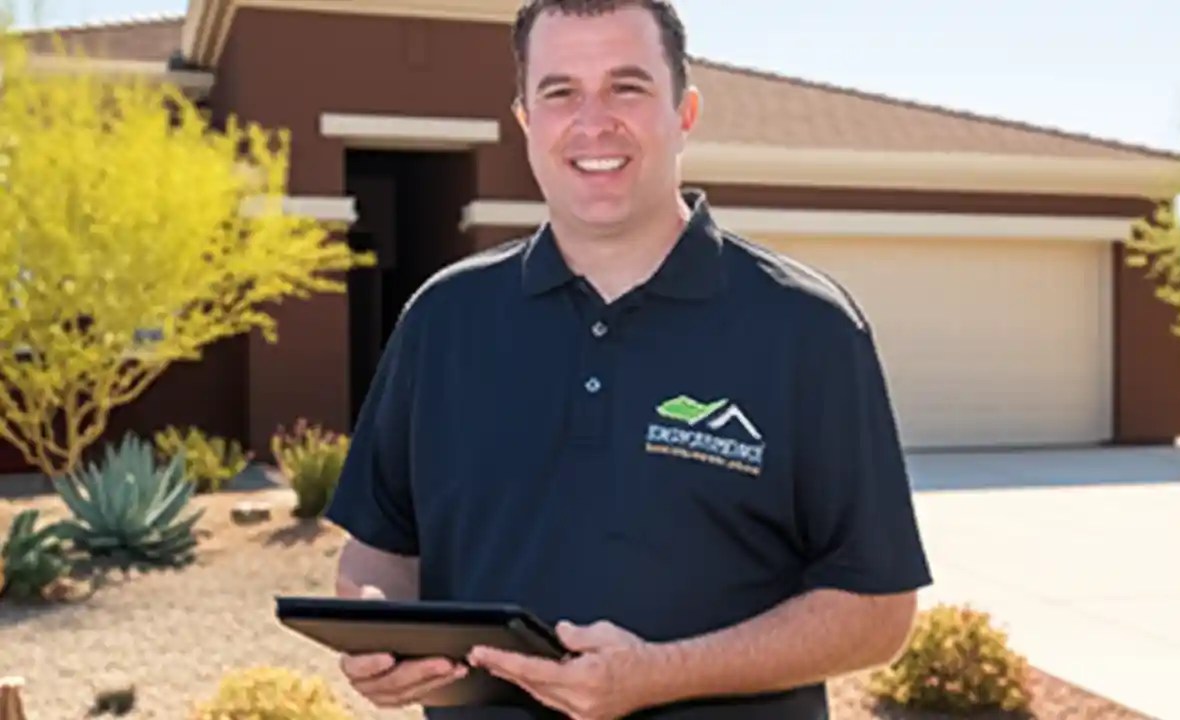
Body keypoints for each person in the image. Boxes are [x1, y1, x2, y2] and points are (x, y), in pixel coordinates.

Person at [323, 1, 933, 718]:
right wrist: (378, 632)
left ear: (686, 112)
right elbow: (379, 555)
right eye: (560, 92)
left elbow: (880, 610)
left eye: (627, 87)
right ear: (525, 120)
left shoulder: (807, 328)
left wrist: (664, 673)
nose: (593, 121)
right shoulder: (442, 322)